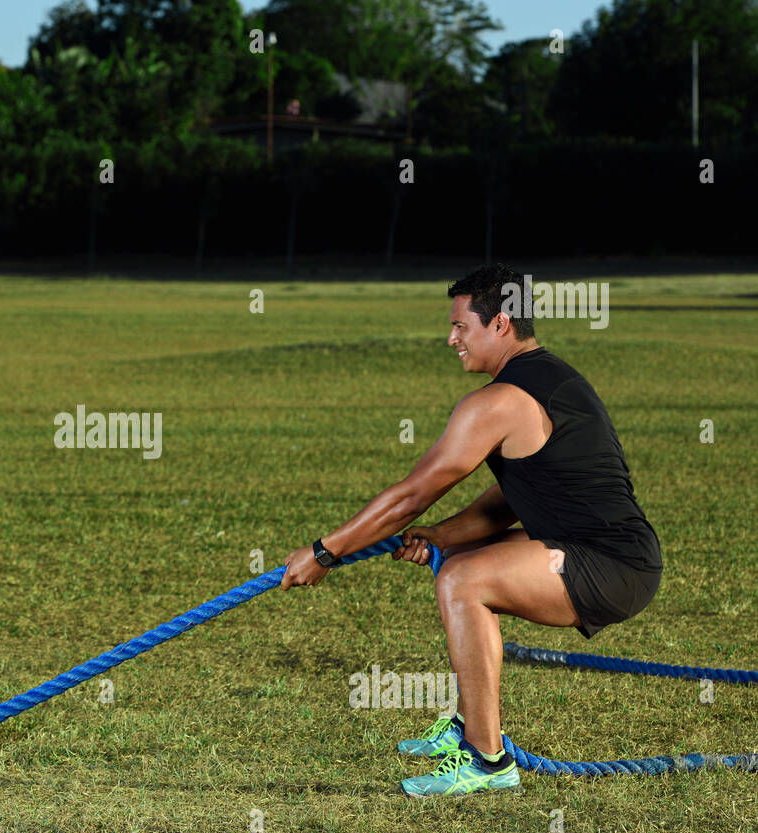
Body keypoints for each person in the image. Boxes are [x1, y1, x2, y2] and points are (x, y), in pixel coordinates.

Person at [279, 263, 661, 797]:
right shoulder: (552, 376)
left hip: (611, 565)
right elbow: (513, 498)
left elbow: (412, 495)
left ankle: (488, 763)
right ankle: (466, 727)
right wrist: (443, 536)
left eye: (461, 325)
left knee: (463, 584)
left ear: (500, 323)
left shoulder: (498, 402)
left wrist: (325, 551)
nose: (451, 337)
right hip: (605, 552)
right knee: (459, 567)